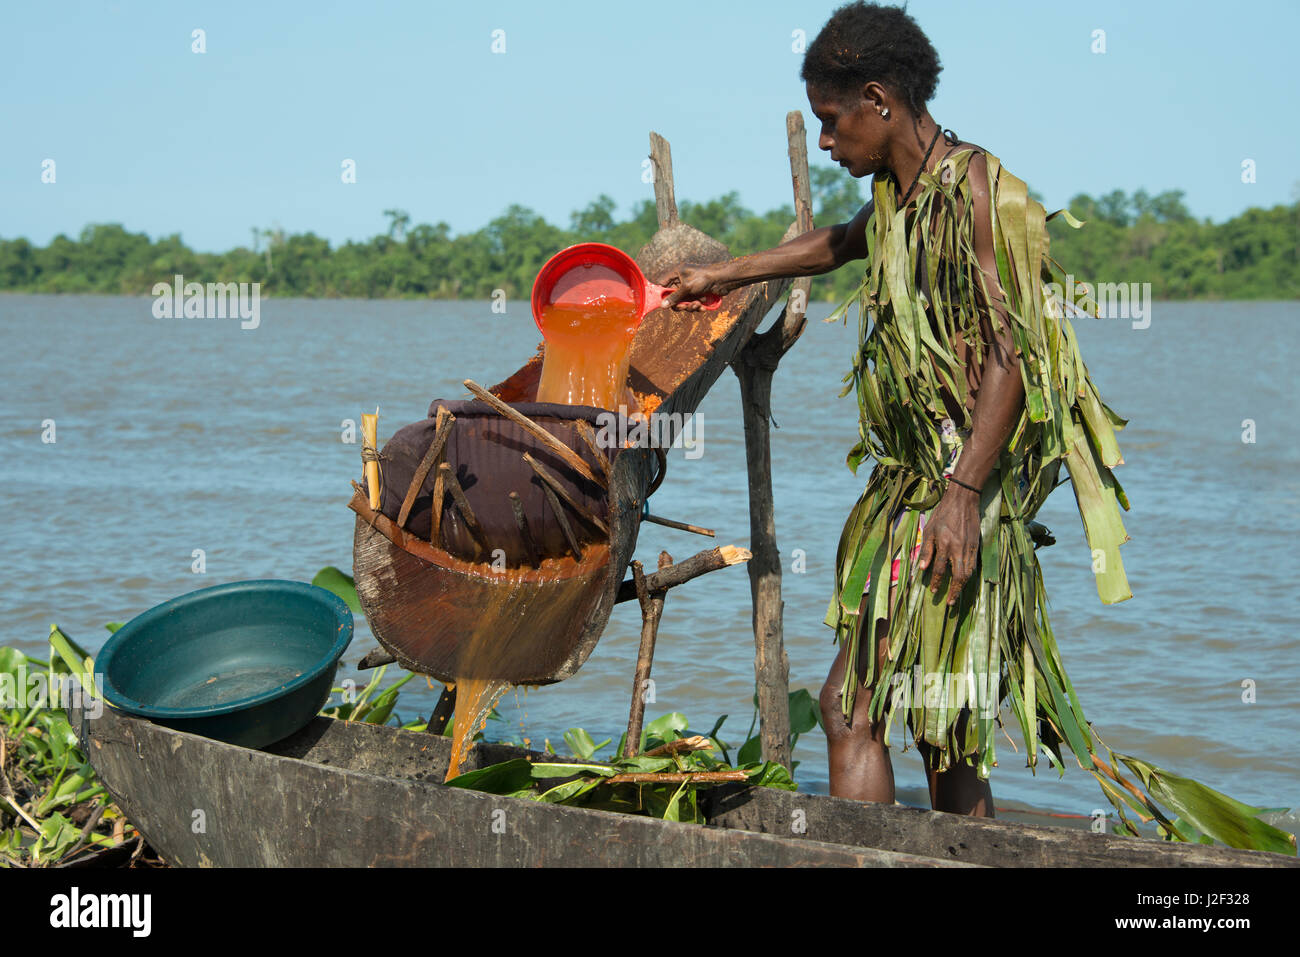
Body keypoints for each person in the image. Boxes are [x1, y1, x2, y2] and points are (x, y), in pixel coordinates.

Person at [659, 1, 1133, 818]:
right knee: (942, 725)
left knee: (858, 708)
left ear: (878, 99)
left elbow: (1012, 352)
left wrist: (959, 493)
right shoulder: (895, 193)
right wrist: (727, 274)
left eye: (833, 122)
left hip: (957, 489)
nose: (829, 142)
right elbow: (841, 243)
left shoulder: (980, 190)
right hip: (913, 483)